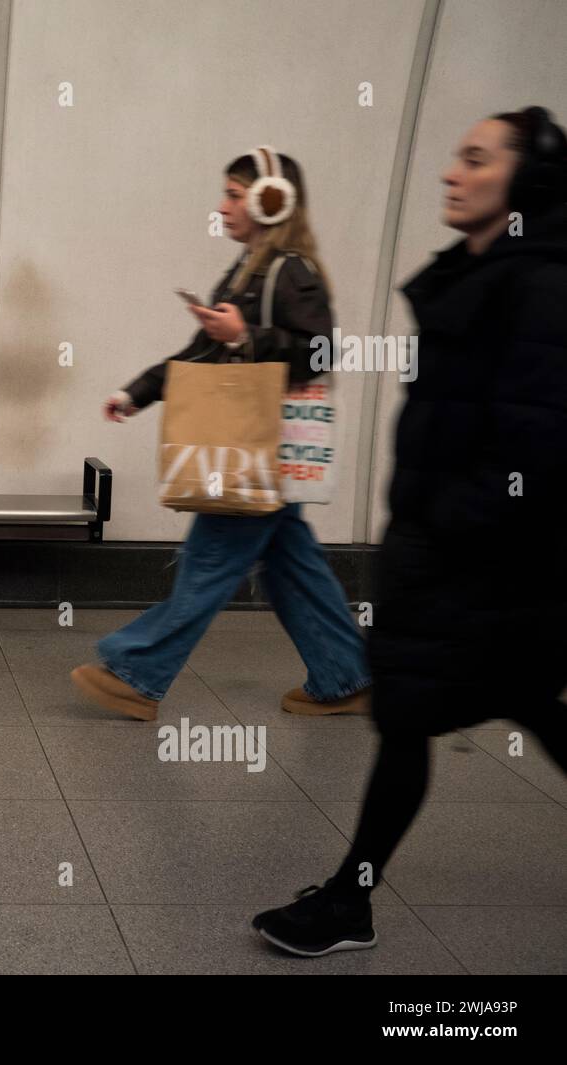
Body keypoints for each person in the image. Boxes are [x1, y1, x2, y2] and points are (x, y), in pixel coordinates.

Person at [253, 106, 567, 956]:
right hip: (461, 554)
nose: (450, 172)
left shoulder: (540, 284)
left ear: (526, 179)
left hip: (491, 562)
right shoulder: (480, 271)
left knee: (414, 714)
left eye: (475, 159)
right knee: (458, 709)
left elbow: (537, 438)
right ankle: (349, 900)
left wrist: (445, 528)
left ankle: (349, 902)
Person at [70, 146, 370, 722]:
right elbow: (201, 353)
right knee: (292, 569)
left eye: (234, 195)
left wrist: (246, 338)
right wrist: (139, 391)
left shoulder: (292, 273)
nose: (223, 206)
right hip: (260, 453)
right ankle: (345, 676)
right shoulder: (246, 271)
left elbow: (319, 351)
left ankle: (137, 675)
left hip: (256, 452)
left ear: (270, 200)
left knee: (208, 563)